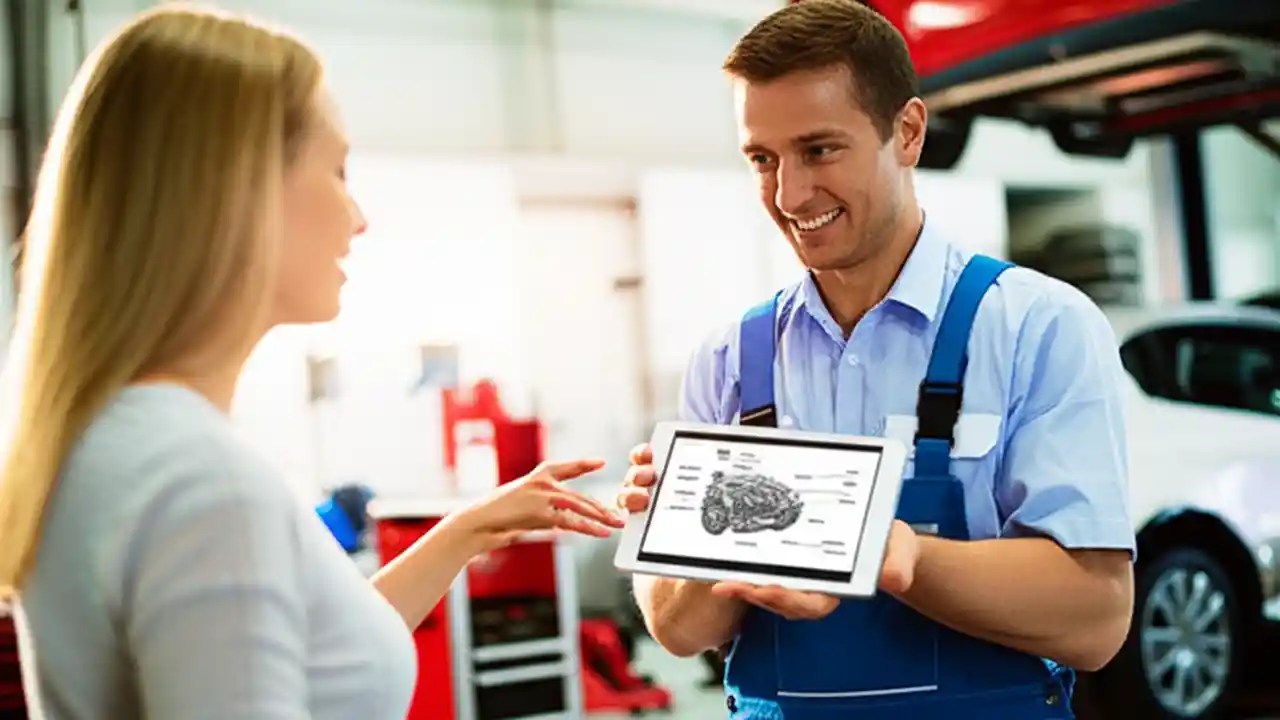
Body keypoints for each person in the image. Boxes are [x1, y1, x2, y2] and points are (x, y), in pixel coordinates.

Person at [0, 6, 623, 719]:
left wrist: (464, 531)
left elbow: (318, 664)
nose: (359, 217)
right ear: (235, 189)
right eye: (337, 170)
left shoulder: (116, 437)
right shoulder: (200, 482)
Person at [617, 1, 1136, 718]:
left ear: (909, 133)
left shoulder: (1038, 327)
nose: (790, 194)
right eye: (763, 159)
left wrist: (900, 557)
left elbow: (1097, 616)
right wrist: (694, 524)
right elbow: (680, 629)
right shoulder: (731, 358)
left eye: (820, 150)